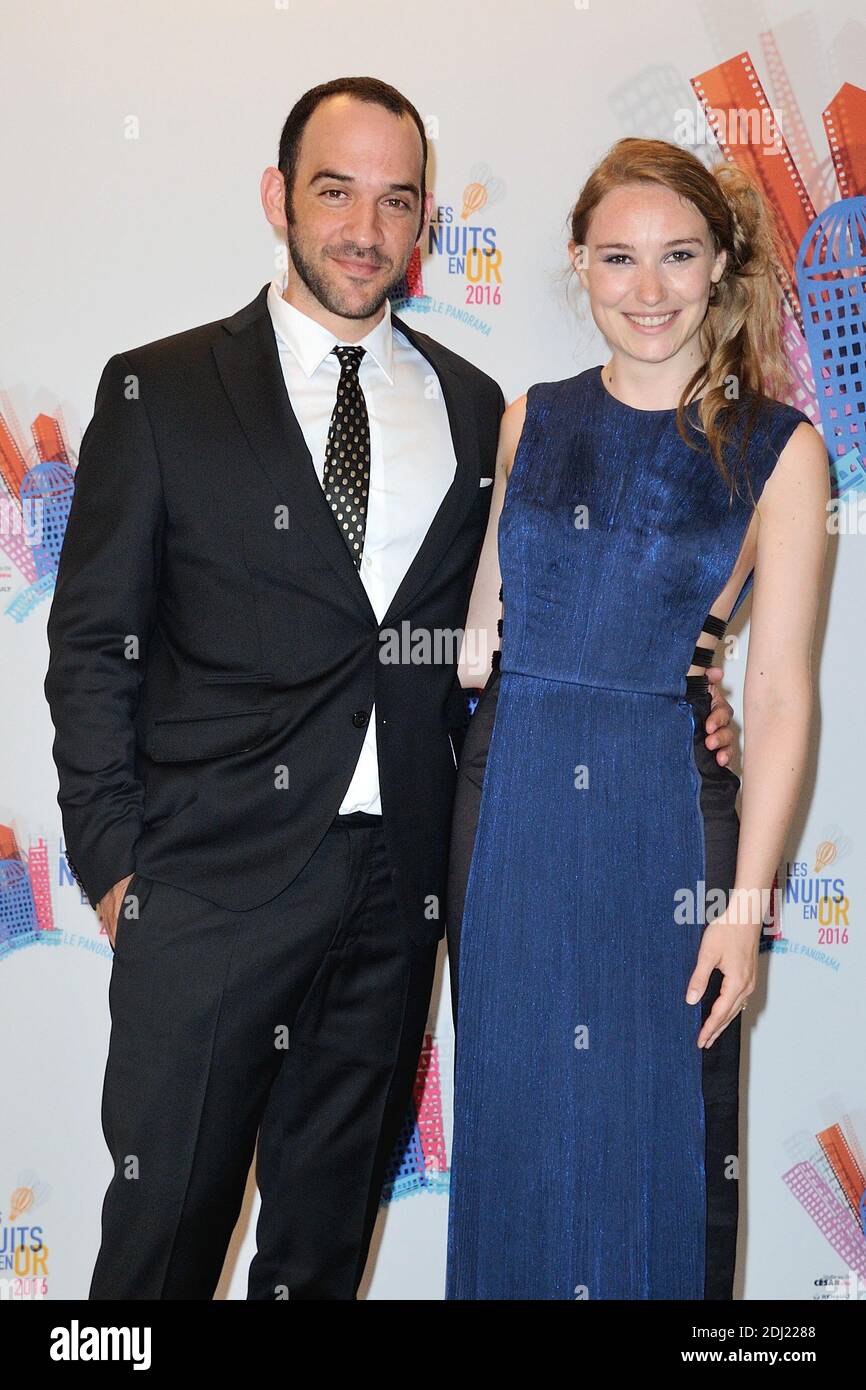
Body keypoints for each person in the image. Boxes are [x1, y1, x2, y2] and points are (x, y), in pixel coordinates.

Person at [44, 77, 734, 1300]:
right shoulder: (160, 391)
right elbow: (94, 642)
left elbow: (505, 639)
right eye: (334, 191)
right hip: (203, 891)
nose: (365, 227)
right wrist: (112, 870)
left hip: (397, 897)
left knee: (320, 1254)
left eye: (396, 200)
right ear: (277, 198)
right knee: (150, 1262)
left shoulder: (479, 414)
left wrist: (678, 698)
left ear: (423, 223)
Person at [445, 138, 828, 1301]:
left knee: (661, 1138)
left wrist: (746, 909)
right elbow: (475, 646)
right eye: (617, 259)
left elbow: (778, 694)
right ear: (577, 263)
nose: (646, 288)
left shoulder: (780, 449)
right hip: (507, 816)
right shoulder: (527, 422)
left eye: (676, 256)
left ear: (719, 266)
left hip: (666, 821)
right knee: (515, 1126)